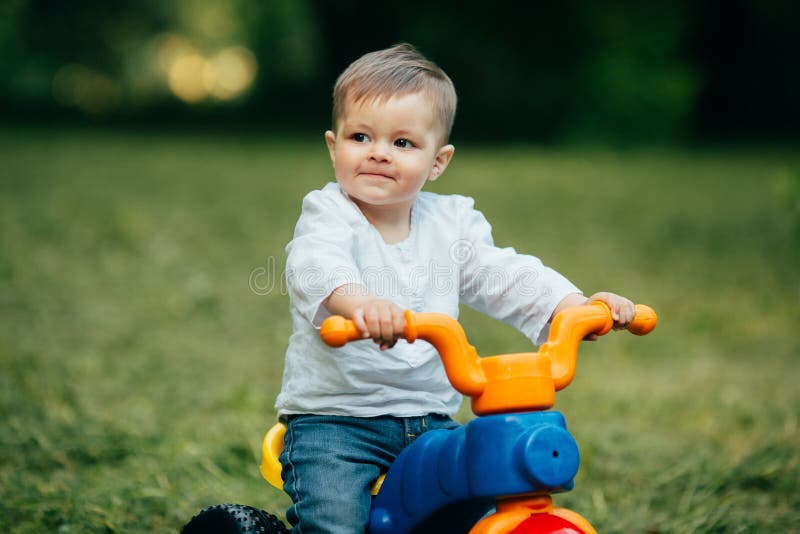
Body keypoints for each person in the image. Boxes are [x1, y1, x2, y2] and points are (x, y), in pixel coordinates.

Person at [274, 43, 636, 533]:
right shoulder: (329, 212)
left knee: (474, 505)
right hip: (337, 423)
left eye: (403, 143)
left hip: (430, 419)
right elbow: (315, 262)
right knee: (336, 522)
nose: (379, 152)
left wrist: (572, 306)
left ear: (438, 161)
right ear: (333, 145)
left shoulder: (451, 222)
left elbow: (502, 273)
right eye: (360, 136)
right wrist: (358, 303)